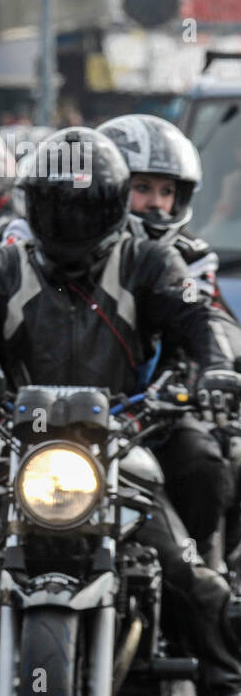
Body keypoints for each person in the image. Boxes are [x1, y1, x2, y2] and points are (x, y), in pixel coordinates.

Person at [0, 127, 241, 696]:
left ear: (111, 204)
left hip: (132, 435)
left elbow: (199, 323)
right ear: (33, 205)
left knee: (192, 569)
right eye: (59, 207)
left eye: (87, 207)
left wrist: (218, 371)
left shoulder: (151, 258)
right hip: (16, 438)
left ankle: (225, 690)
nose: (72, 222)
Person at [98, 114, 241, 550]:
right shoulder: (64, 249)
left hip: (156, 413)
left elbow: (210, 322)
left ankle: (200, 574)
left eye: (166, 191)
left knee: (209, 463)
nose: (156, 203)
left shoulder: (191, 257)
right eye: (142, 189)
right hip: (59, 417)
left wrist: (208, 375)